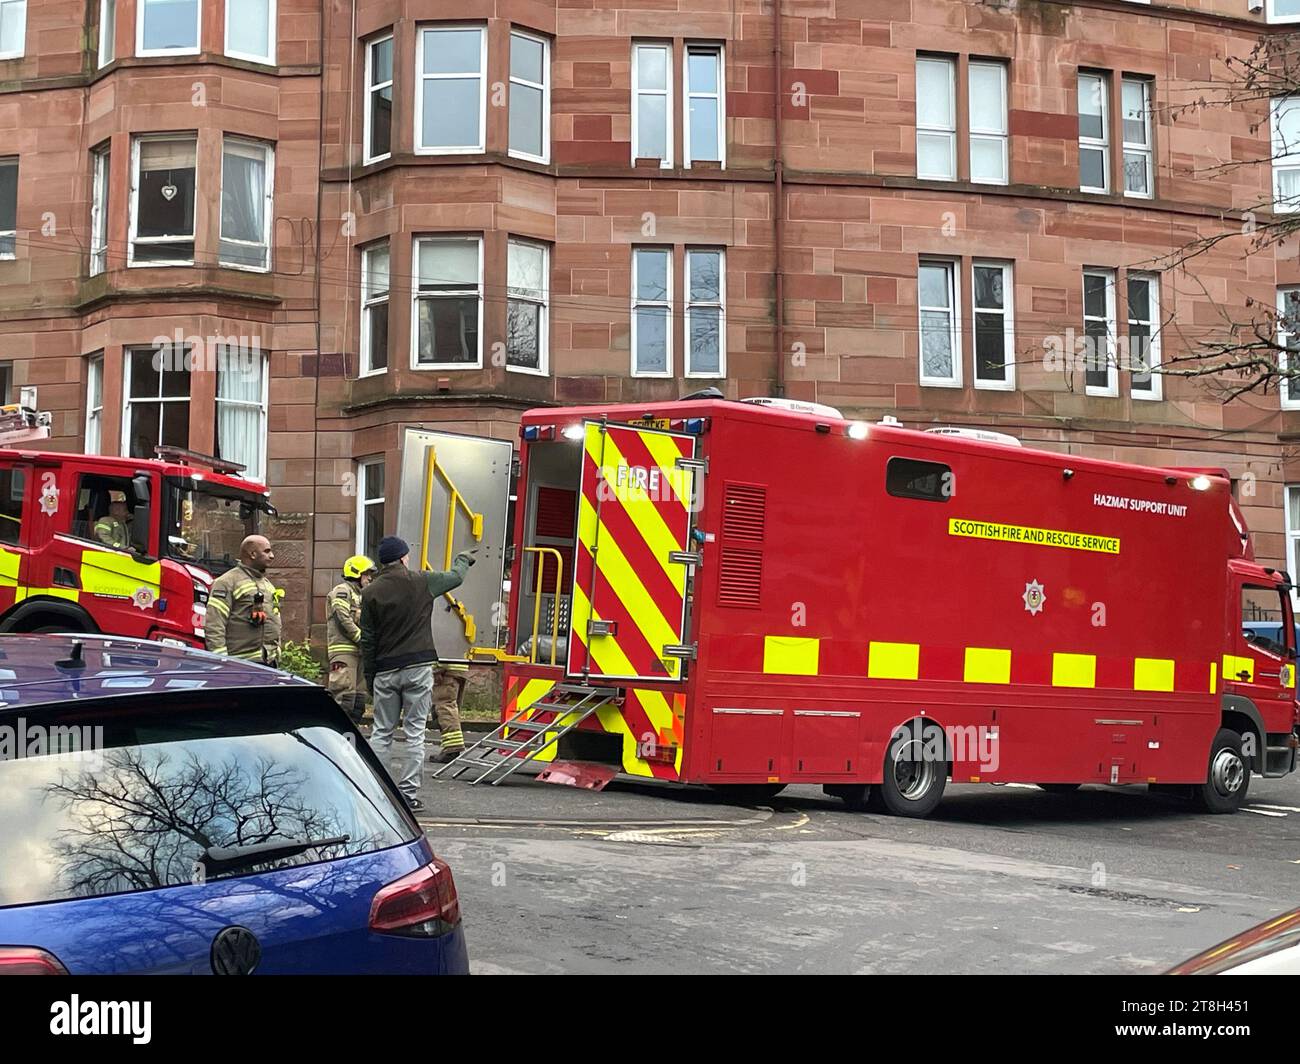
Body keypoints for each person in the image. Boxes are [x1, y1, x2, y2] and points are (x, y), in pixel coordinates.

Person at [359, 536, 475, 810]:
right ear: (402, 558)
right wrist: (463, 559)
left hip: (385, 671)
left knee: (382, 733)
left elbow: (368, 639)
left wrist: (370, 676)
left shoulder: (370, 592)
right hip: (417, 668)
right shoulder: (422, 581)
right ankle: (408, 795)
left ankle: (379, 793)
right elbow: (455, 578)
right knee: (414, 733)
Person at [205, 535, 282, 667]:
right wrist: (221, 661)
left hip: (268, 663)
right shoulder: (226, 582)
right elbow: (215, 624)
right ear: (253, 554)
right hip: (239, 665)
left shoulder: (267, 585)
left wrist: (276, 651)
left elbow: (274, 620)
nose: (272, 556)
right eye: (267, 551)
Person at [327, 555, 376, 724]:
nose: (370, 578)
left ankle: (351, 741)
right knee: (344, 700)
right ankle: (334, 740)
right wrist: (361, 638)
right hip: (344, 652)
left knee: (358, 704)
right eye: (366, 573)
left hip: (360, 652)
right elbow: (342, 617)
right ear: (356, 573)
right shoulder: (342, 591)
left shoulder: (363, 595)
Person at [431, 661, 470, 762]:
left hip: (446, 667)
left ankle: (451, 749)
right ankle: (451, 747)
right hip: (460, 666)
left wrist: (437, 669)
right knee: (452, 707)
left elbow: (443, 648)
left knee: (444, 707)